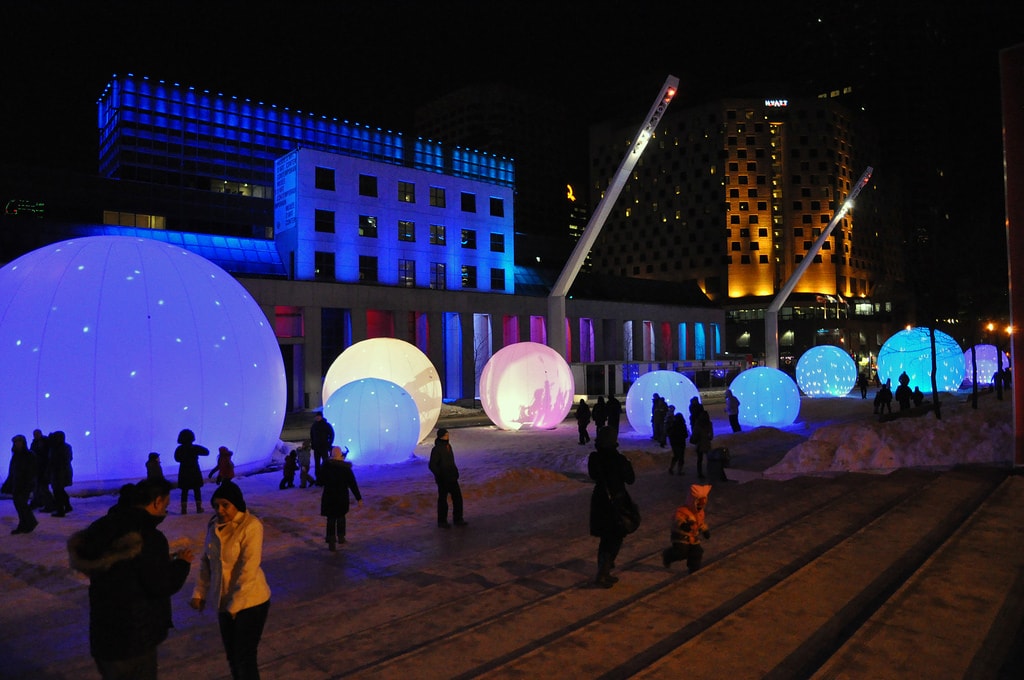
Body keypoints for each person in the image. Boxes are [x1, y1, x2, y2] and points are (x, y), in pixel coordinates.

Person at [67, 478, 193, 679]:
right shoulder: (149, 537)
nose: (165, 512)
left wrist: (159, 560)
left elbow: (122, 568)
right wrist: (181, 564)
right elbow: (161, 584)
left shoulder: (103, 528)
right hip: (135, 639)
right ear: (157, 502)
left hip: (104, 636)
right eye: (166, 506)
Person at [191, 481, 271, 680]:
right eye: (216, 505)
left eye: (225, 505)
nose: (220, 510)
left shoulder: (251, 525)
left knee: (244, 657)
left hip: (251, 602)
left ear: (236, 503)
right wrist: (200, 593)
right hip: (224, 603)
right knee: (233, 657)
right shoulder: (213, 526)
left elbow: (249, 568)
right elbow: (206, 562)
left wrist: (235, 606)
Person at [588, 427, 636, 588]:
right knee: (615, 536)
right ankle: (603, 572)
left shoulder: (595, 457)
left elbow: (593, 475)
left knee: (606, 537)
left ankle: (604, 569)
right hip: (617, 500)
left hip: (600, 500)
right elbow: (630, 479)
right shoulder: (618, 459)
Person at [661, 484, 711, 573]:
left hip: (693, 537)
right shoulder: (683, 511)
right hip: (680, 536)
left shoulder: (700, 513)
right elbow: (677, 519)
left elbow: (700, 522)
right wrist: (683, 525)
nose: (700, 505)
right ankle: (668, 555)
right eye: (699, 503)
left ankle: (693, 568)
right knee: (681, 552)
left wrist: (704, 529)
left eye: (702, 503)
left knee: (697, 552)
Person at [320, 446, 362, 550]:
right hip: (341, 496)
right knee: (341, 517)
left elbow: (320, 481)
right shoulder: (345, 468)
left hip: (329, 496)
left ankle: (331, 540)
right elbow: (352, 483)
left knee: (331, 519)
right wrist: (358, 498)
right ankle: (341, 537)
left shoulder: (326, 466)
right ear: (340, 455)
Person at [428, 428, 466, 528]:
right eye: (446, 435)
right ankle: (442, 521)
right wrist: (440, 475)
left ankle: (458, 518)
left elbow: (451, 462)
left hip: (452, 478)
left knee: (457, 498)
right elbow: (432, 465)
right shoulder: (437, 449)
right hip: (443, 479)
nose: (447, 437)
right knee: (443, 500)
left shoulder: (448, 446)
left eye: (448, 435)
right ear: (441, 436)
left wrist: (455, 472)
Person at [3, 434, 38, 534]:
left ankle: (28, 524)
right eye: (15, 442)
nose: (17, 444)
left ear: (23, 443)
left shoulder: (29, 455)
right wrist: (8, 483)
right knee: (19, 505)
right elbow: (12, 472)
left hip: (24, 484)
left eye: (19, 442)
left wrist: (30, 483)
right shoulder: (16, 456)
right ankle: (25, 524)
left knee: (22, 505)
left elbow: (33, 471)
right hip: (16, 484)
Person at [174, 429, 210, 514]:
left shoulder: (179, 449)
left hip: (184, 471)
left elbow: (177, 459)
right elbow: (206, 452)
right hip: (194, 471)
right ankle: (198, 508)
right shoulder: (194, 448)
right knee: (197, 489)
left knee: (184, 491)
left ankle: (184, 509)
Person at [48, 430, 74, 517]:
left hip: (59, 472)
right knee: (59, 490)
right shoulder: (65, 447)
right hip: (63, 472)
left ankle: (61, 510)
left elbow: (57, 460)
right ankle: (66, 506)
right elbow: (69, 458)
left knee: (57, 491)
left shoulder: (56, 448)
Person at [29, 428, 53, 511]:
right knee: (39, 487)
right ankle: (42, 503)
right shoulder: (38, 443)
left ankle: (49, 504)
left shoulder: (42, 442)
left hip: (42, 469)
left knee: (42, 488)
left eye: (37, 434)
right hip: (39, 469)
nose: (36, 436)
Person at [309, 412, 334, 485]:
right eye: (316, 416)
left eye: (319, 416)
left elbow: (332, 434)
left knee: (325, 463)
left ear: (321, 417)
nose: (317, 418)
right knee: (317, 464)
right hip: (316, 448)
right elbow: (312, 436)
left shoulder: (326, 425)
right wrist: (313, 444)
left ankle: (327, 478)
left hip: (324, 447)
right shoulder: (314, 425)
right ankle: (319, 479)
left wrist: (329, 444)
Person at [690, 407, 714, 479]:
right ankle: (710, 471)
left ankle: (700, 473)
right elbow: (711, 435)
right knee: (708, 458)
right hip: (706, 443)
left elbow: (695, 434)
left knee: (700, 459)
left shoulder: (698, 424)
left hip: (699, 444)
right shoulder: (709, 424)